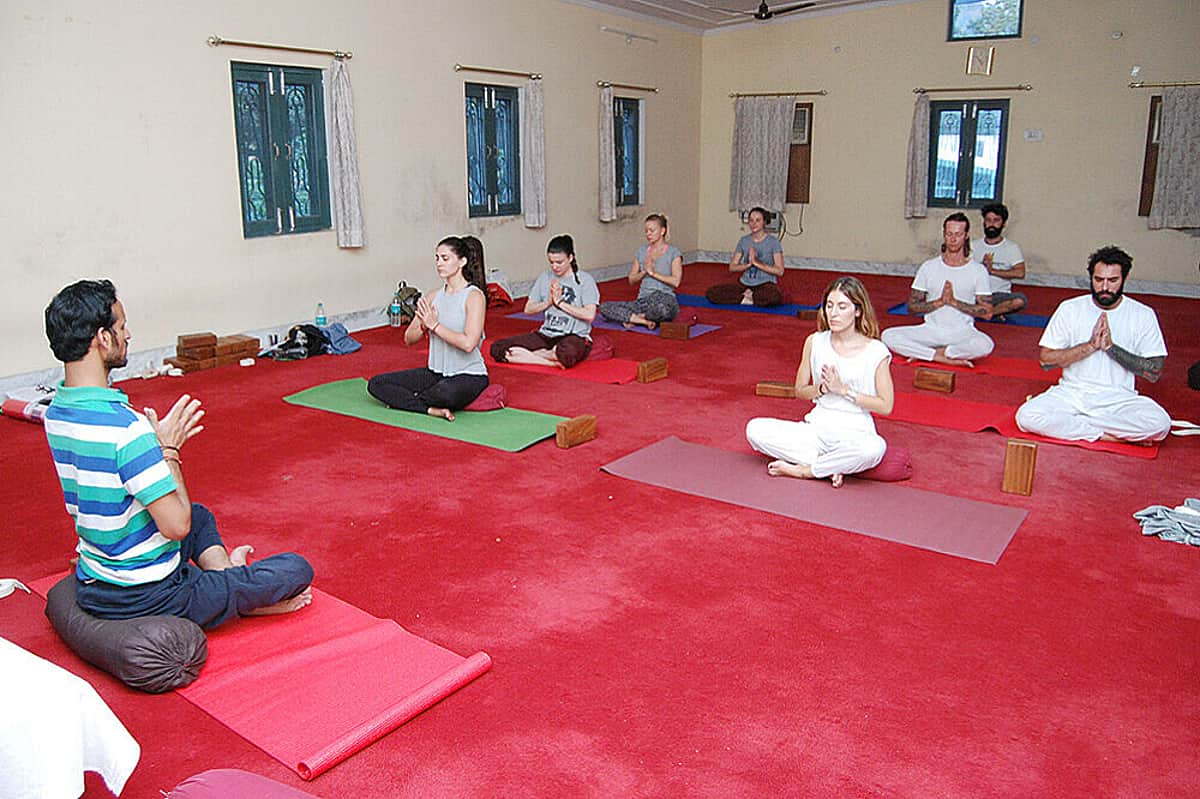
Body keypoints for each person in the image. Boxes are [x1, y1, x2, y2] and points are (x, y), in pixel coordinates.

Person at [42, 280, 313, 629]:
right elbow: (176, 525)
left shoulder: (56, 413)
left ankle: (227, 577)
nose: (129, 335)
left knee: (201, 517)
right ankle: (235, 592)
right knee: (295, 569)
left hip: (95, 580)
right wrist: (167, 450)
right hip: (151, 593)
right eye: (122, 327)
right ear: (102, 338)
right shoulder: (127, 429)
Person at [746, 276, 894, 488]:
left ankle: (807, 471)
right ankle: (830, 466)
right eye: (829, 306)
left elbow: (886, 405)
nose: (833, 313)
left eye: (842, 306)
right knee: (754, 429)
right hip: (816, 429)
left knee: (874, 449)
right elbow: (800, 391)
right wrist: (823, 388)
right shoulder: (815, 341)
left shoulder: (876, 351)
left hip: (854, 433)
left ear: (858, 311)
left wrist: (844, 390)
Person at [1015, 246, 1170, 443]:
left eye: (1113, 280)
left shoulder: (1143, 314)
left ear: (1125, 278)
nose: (1105, 287)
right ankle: (1111, 436)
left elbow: (1154, 372)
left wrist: (1111, 349)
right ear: (1091, 278)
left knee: (1159, 424)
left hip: (1118, 399)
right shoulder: (1070, 308)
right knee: (1027, 416)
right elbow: (1046, 361)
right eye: (1098, 280)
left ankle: (1076, 425)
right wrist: (1089, 347)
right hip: (1071, 394)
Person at [368, 236, 489, 421]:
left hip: (468, 375)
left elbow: (468, 344)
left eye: (445, 258)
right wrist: (423, 325)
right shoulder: (433, 296)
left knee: (445, 393)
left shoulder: (474, 297)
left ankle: (409, 401)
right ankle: (430, 409)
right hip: (435, 373)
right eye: (437, 258)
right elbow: (409, 338)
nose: (439, 263)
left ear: (462, 261)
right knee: (377, 384)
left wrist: (436, 326)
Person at [881, 212, 994, 367]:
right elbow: (912, 307)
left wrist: (954, 302)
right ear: (944, 234)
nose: (953, 239)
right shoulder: (929, 267)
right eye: (949, 234)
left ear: (966, 235)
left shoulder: (978, 270)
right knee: (888, 336)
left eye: (958, 234)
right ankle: (939, 356)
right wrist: (939, 302)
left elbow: (987, 313)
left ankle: (933, 353)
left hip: (962, 332)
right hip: (931, 330)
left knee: (985, 345)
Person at [490, 234, 599, 368]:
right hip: (546, 334)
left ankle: (529, 355)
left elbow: (589, 315)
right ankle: (549, 361)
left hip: (573, 336)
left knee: (566, 353)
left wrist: (560, 303)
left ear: (570, 258)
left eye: (559, 262)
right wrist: (549, 303)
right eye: (551, 262)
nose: (555, 267)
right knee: (497, 348)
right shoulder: (545, 277)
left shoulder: (585, 280)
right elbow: (528, 309)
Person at [598, 213, 682, 330]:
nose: (648, 234)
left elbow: (676, 282)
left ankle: (635, 318)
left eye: (652, 230)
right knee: (604, 307)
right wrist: (644, 272)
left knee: (663, 310)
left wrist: (653, 273)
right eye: (646, 231)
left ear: (662, 231)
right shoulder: (642, 252)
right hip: (643, 300)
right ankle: (643, 320)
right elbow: (631, 280)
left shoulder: (673, 253)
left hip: (664, 299)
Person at [705, 207, 784, 307]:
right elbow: (732, 267)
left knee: (774, 297)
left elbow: (780, 271)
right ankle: (750, 298)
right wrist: (747, 265)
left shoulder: (773, 242)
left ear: (764, 222)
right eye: (751, 220)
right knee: (712, 293)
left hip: (765, 284)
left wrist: (757, 263)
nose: (753, 223)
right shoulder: (744, 240)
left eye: (758, 220)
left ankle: (747, 298)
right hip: (744, 284)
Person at [972, 202, 1028, 318]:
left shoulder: (1011, 248)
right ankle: (991, 312)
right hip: (974, 294)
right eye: (988, 220)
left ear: (1004, 224)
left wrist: (992, 271)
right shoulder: (973, 246)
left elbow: (1020, 273)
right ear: (984, 222)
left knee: (1019, 300)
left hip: (998, 296)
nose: (991, 224)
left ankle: (988, 313)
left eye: (996, 220)